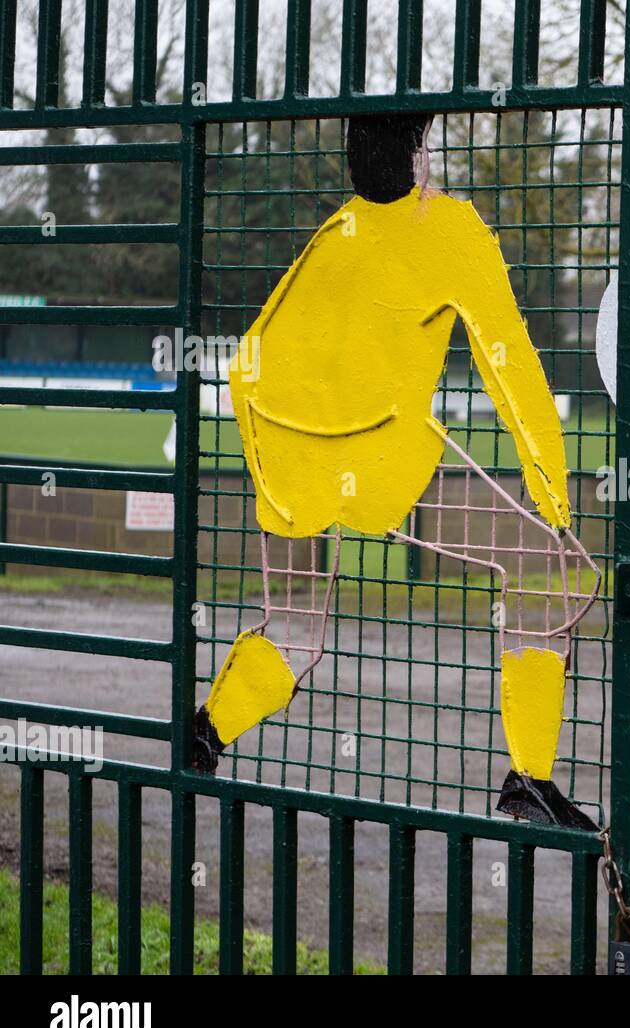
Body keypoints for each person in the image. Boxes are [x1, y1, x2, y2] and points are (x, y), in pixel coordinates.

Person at [195, 115, 600, 832]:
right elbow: (509, 366)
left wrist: (273, 468)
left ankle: (206, 730)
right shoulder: (451, 227)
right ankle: (529, 776)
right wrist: (554, 496)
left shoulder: (336, 230)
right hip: (376, 460)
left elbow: (247, 357)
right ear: (420, 152)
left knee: (295, 627)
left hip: (292, 460)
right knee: (541, 567)